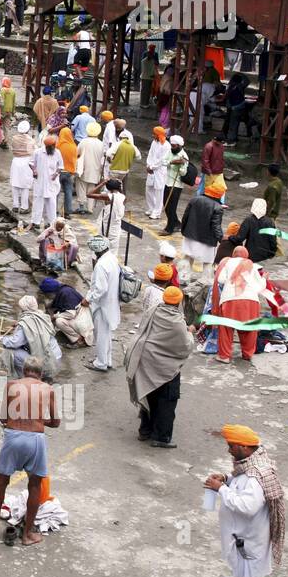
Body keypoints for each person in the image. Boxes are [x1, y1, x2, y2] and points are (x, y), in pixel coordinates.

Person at [0, 356, 60, 546]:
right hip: (36, 440)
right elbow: (56, 422)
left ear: (23, 371)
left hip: (13, 437)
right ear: (41, 375)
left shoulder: (11, 385)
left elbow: (2, 418)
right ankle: (27, 535)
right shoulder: (48, 389)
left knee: (1, 481)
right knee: (34, 485)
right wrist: (39, 420)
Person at [204, 425, 285, 577]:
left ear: (245, 447)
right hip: (244, 540)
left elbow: (247, 506)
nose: (229, 451)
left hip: (249, 544)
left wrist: (221, 488)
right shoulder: (252, 462)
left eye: (231, 447)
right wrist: (226, 479)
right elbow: (241, 477)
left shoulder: (255, 477)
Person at [125, 285, 192, 448]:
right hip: (165, 368)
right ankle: (161, 437)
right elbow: (185, 346)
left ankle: (145, 431)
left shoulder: (153, 310)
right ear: (178, 303)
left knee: (149, 394)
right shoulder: (177, 322)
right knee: (167, 400)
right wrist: (190, 332)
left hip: (146, 359)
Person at [212, 246, 264, 363]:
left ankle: (224, 356)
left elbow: (220, 280)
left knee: (226, 328)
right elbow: (260, 286)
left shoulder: (227, 262)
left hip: (229, 299)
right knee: (250, 328)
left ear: (233, 254)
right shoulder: (251, 265)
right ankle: (247, 354)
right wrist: (264, 279)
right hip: (251, 301)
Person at [83, 235, 121, 372]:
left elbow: (100, 289)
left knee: (101, 336)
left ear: (97, 251)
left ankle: (100, 363)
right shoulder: (112, 258)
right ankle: (107, 360)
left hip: (102, 305)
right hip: (111, 302)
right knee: (107, 334)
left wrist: (88, 299)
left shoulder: (100, 265)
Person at [0, 297, 60, 381]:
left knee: (10, 351)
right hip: (56, 358)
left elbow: (14, 343)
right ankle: (42, 375)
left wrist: (1, 338)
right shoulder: (43, 316)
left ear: (24, 309)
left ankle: (26, 378)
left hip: (45, 362)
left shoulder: (25, 323)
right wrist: (19, 324)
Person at [182, 181, 225, 275]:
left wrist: (183, 230)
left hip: (190, 234)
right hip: (207, 240)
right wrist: (221, 239)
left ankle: (183, 277)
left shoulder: (194, 200)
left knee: (187, 257)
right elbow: (216, 226)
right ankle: (206, 282)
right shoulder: (218, 207)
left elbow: (185, 216)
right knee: (207, 263)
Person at [40, 276, 93, 346]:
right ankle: (73, 335)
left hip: (83, 323)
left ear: (50, 292)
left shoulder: (65, 293)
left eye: (46, 294)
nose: (46, 296)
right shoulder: (62, 290)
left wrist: (54, 316)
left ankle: (79, 340)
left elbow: (71, 314)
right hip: (79, 318)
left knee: (59, 321)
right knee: (55, 312)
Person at [28, 134, 62, 229]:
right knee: (38, 201)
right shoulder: (38, 152)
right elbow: (31, 163)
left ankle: (52, 223)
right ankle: (36, 222)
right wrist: (34, 170)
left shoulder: (57, 152)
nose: (53, 148)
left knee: (51, 202)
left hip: (51, 182)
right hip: (40, 181)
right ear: (47, 146)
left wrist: (55, 174)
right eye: (51, 147)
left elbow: (60, 166)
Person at [88, 177, 126, 258]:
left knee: (98, 252)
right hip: (116, 229)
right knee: (113, 254)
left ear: (109, 188)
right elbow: (120, 194)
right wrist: (120, 187)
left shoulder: (109, 196)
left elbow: (89, 194)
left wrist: (102, 183)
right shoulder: (122, 196)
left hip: (106, 229)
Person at [163, 135, 191, 234]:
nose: (172, 147)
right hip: (167, 182)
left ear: (179, 146)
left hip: (176, 185)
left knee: (172, 207)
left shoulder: (184, 156)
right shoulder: (170, 152)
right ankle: (177, 223)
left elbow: (184, 173)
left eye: (174, 146)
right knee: (166, 206)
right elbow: (163, 161)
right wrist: (172, 162)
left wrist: (181, 164)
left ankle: (169, 229)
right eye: (172, 145)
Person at [74, 122, 103, 215]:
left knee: (81, 187)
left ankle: (82, 206)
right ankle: (90, 208)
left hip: (84, 168)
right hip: (96, 169)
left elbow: (77, 153)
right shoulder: (101, 144)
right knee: (92, 189)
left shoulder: (84, 141)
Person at [144, 126, 171, 220]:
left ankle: (157, 212)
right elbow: (150, 154)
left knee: (159, 190)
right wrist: (148, 165)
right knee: (149, 188)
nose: (152, 135)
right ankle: (151, 208)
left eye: (154, 134)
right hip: (151, 168)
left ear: (159, 135)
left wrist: (153, 167)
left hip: (159, 170)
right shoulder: (154, 142)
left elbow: (162, 160)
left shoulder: (166, 145)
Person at [8, 121, 34, 212]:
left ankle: (15, 205)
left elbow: (12, 148)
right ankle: (24, 207)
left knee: (15, 184)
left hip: (15, 161)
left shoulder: (14, 138)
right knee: (25, 185)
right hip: (26, 162)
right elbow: (32, 152)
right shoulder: (30, 140)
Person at [56, 126, 78, 217]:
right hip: (69, 172)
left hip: (59, 172)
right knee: (68, 192)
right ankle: (67, 212)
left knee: (56, 192)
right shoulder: (73, 146)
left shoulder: (58, 146)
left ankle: (54, 210)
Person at [139, 46, 158, 110]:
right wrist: (152, 75)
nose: (152, 55)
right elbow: (146, 70)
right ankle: (143, 104)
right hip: (145, 77)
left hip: (149, 78)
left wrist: (153, 75)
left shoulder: (152, 60)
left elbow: (153, 67)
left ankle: (146, 103)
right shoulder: (144, 61)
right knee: (144, 91)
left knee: (148, 91)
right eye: (151, 54)